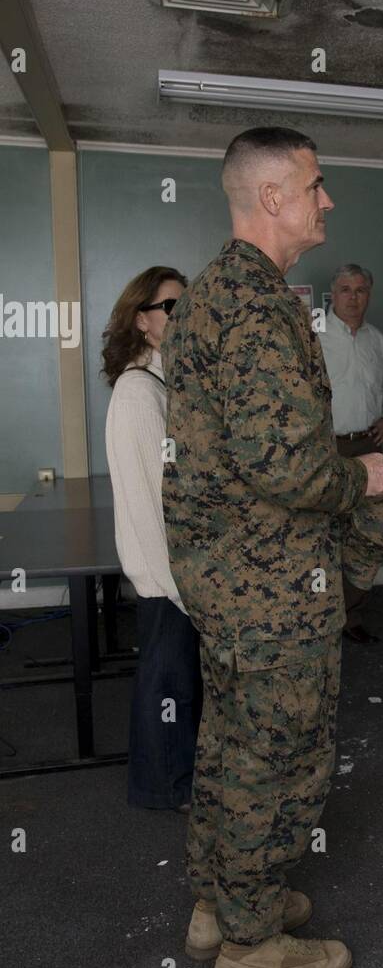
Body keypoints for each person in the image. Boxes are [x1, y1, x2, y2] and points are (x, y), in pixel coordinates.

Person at [162, 126, 383, 968]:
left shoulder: (209, 295)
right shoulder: (260, 308)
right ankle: (251, 945)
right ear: (271, 198)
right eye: (315, 184)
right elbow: (285, 467)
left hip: (224, 578)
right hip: (271, 584)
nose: (327, 200)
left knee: (229, 739)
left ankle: (219, 903)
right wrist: (362, 477)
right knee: (276, 753)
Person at [102, 266, 202, 812]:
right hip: (164, 572)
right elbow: (146, 500)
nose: (180, 314)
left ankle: (170, 780)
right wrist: (175, 584)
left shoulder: (164, 379)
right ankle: (166, 787)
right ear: (142, 320)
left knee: (175, 678)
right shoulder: (139, 393)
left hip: (178, 566)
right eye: (169, 306)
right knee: (167, 682)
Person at [320, 263, 383, 643]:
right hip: (327, 450)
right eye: (345, 289)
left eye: (360, 290)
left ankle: (349, 616)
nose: (353, 297)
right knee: (325, 535)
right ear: (333, 294)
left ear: (369, 295)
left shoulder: (377, 341)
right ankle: (321, 620)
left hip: (368, 448)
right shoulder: (313, 336)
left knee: (371, 534)